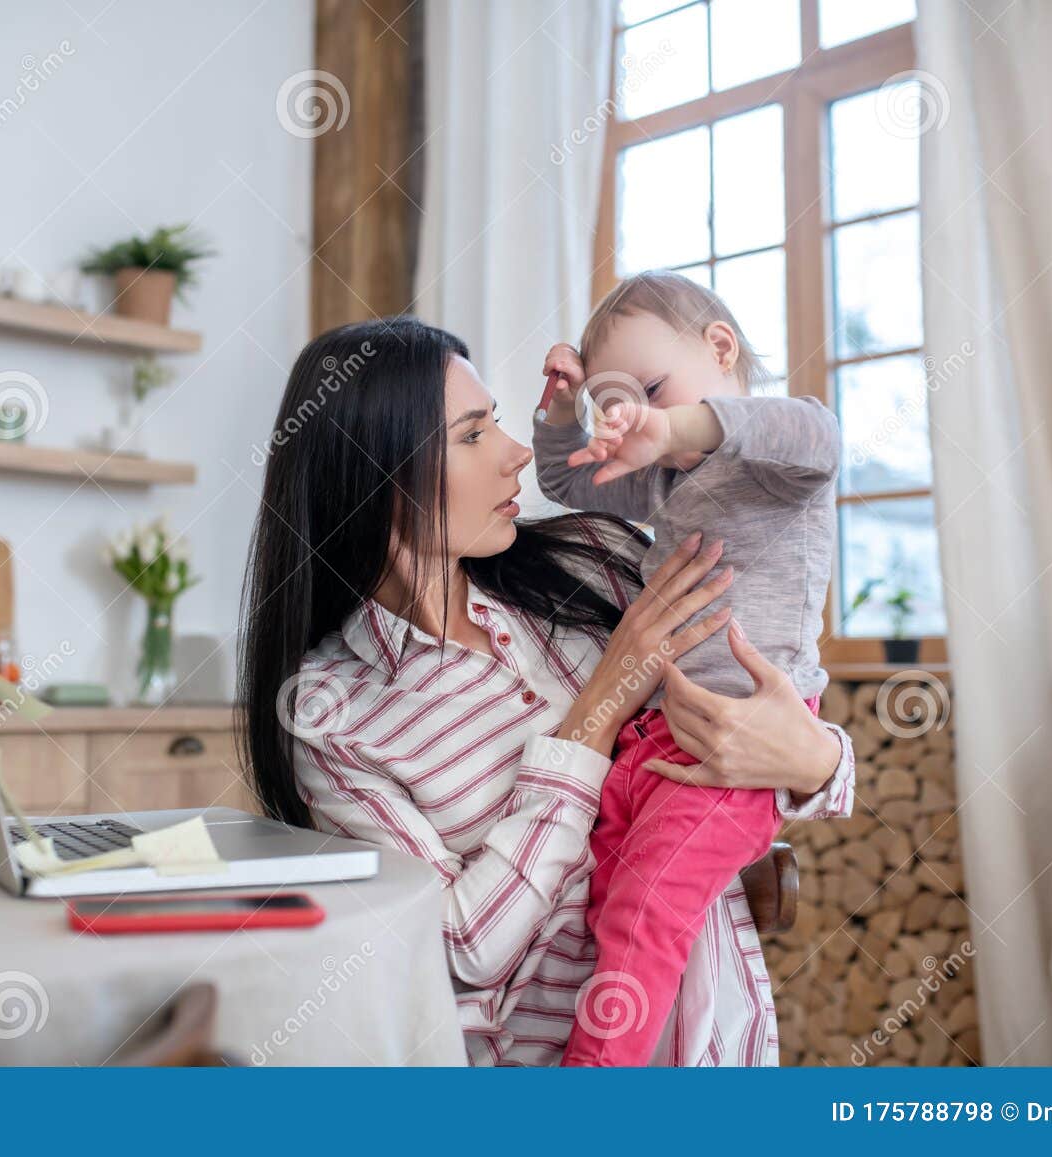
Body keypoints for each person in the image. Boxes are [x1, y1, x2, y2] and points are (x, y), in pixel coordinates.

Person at [238, 314, 854, 1066]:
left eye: (498, 421)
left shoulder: (598, 559)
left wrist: (817, 762)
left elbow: (773, 710)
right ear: (381, 476)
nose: (517, 452)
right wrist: (598, 709)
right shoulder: (333, 716)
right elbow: (461, 948)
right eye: (472, 435)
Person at [535, 269, 840, 1066]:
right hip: (656, 738)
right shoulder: (671, 477)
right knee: (604, 898)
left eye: (653, 387)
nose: (639, 414)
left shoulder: (775, 462)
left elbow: (819, 433)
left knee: (646, 907)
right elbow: (569, 479)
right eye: (621, 402)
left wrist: (674, 429)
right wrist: (565, 410)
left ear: (721, 347)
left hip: (741, 741)